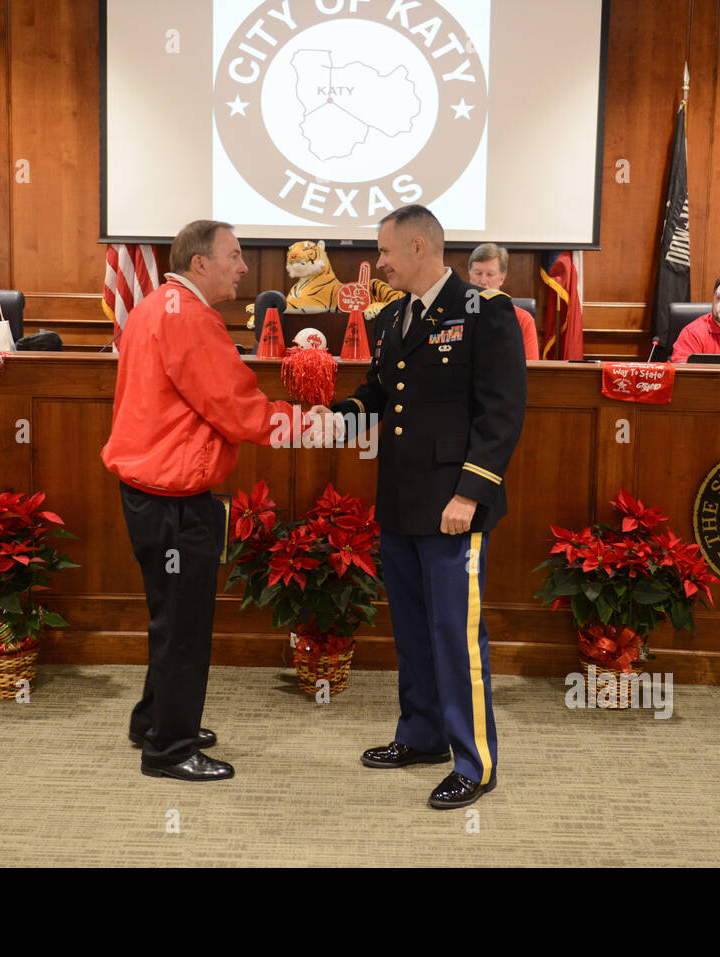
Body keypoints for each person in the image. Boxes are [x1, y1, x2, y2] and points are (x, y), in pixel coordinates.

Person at [310, 205, 526, 810]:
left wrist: (470, 493)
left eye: (383, 252)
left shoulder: (487, 312)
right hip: (401, 502)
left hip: (454, 505)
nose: (377, 263)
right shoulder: (394, 316)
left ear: (418, 248)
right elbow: (380, 394)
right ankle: (422, 735)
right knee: (412, 629)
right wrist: (341, 419)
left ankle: (473, 761)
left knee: (456, 636)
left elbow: (502, 413)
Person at [102, 219, 306, 782]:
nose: (244, 267)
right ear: (199, 264)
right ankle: (169, 748)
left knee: (168, 619)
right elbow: (240, 409)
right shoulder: (191, 319)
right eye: (236, 256)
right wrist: (314, 425)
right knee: (185, 626)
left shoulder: (152, 307)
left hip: (148, 491)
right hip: (175, 499)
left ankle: (153, 720)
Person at [467, 242, 540, 360]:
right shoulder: (457, 314)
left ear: (502, 278)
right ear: (470, 276)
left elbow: (530, 367)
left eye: (490, 274)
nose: (483, 281)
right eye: (478, 273)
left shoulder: (523, 319)